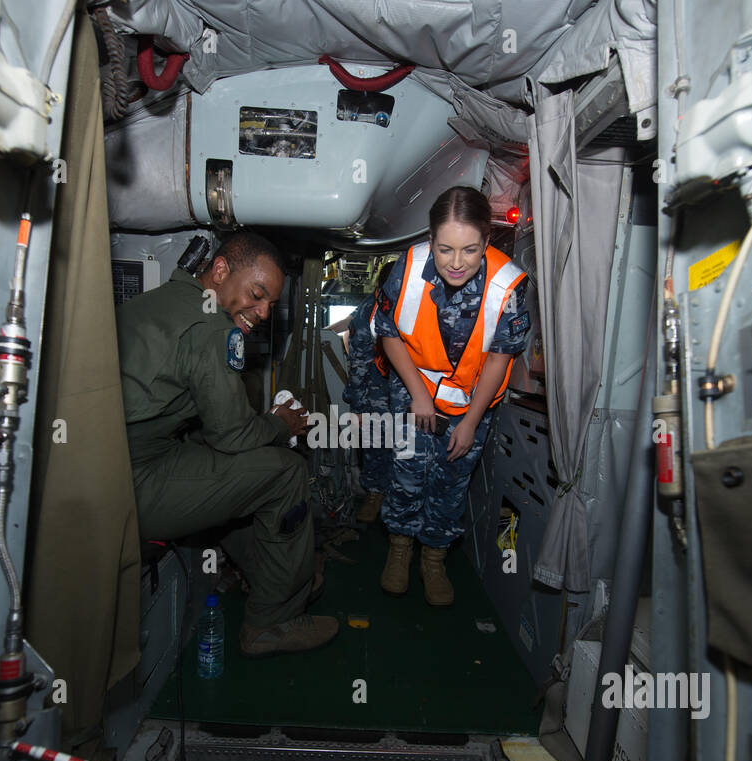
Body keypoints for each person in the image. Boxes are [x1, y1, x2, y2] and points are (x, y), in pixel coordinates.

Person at [116, 230, 339, 656]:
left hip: (121, 461)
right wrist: (281, 425)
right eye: (256, 294)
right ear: (220, 270)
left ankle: (273, 576)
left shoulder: (166, 300)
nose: (261, 312)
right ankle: (271, 622)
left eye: (270, 304)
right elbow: (233, 434)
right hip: (132, 484)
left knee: (230, 472)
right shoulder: (214, 330)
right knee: (286, 472)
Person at [372, 187, 529, 606]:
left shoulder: (507, 284)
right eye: (444, 250)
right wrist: (419, 395)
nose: (456, 263)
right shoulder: (404, 270)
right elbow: (388, 335)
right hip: (411, 390)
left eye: (470, 250)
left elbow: (499, 358)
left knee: (451, 483)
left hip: (470, 402)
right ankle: (400, 550)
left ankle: (434, 559)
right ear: (430, 239)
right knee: (406, 474)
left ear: (487, 242)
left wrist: (472, 422)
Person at [341, 261, 397, 523]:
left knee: (405, 447)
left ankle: (396, 498)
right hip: (375, 388)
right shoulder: (367, 314)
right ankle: (375, 495)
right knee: (375, 444)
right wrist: (359, 407)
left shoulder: (413, 305)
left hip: (407, 390)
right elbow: (359, 365)